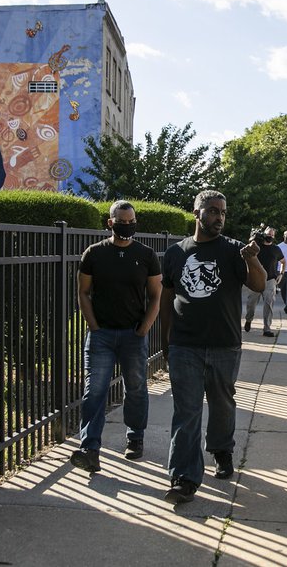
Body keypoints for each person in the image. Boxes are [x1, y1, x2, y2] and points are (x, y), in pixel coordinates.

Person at [159, 190, 266, 504]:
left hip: (224, 344)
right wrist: (167, 339)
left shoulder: (235, 250)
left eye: (223, 212)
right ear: (197, 212)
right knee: (186, 412)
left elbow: (259, 285)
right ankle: (183, 478)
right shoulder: (176, 253)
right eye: (213, 211)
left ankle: (221, 450)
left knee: (222, 405)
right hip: (185, 345)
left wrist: (252, 258)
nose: (219, 217)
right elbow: (167, 299)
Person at [70, 201, 162, 473]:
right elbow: (83, 292)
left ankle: (135, 438)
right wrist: (94, 326)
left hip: (134, 334)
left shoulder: (146, 255)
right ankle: (90, 449)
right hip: (102, 335)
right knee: (94, 392)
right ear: (110, 223)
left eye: (131, 220)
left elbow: (156, 296)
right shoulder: (94, 253)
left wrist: (144, 328)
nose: (127, 225)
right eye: (121, 221)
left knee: (135, 388)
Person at [244, 226, 284, 338]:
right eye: (268, 234)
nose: (270, 236)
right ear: (264, 234)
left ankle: (267, 328)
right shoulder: (257, 246)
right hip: (255, 280)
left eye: (272, 235)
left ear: (274, 237)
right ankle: (248, 319)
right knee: (251, 303)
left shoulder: (276, 249)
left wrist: (281, 274)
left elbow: (283, 261)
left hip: (270, 280)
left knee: (268, 304)